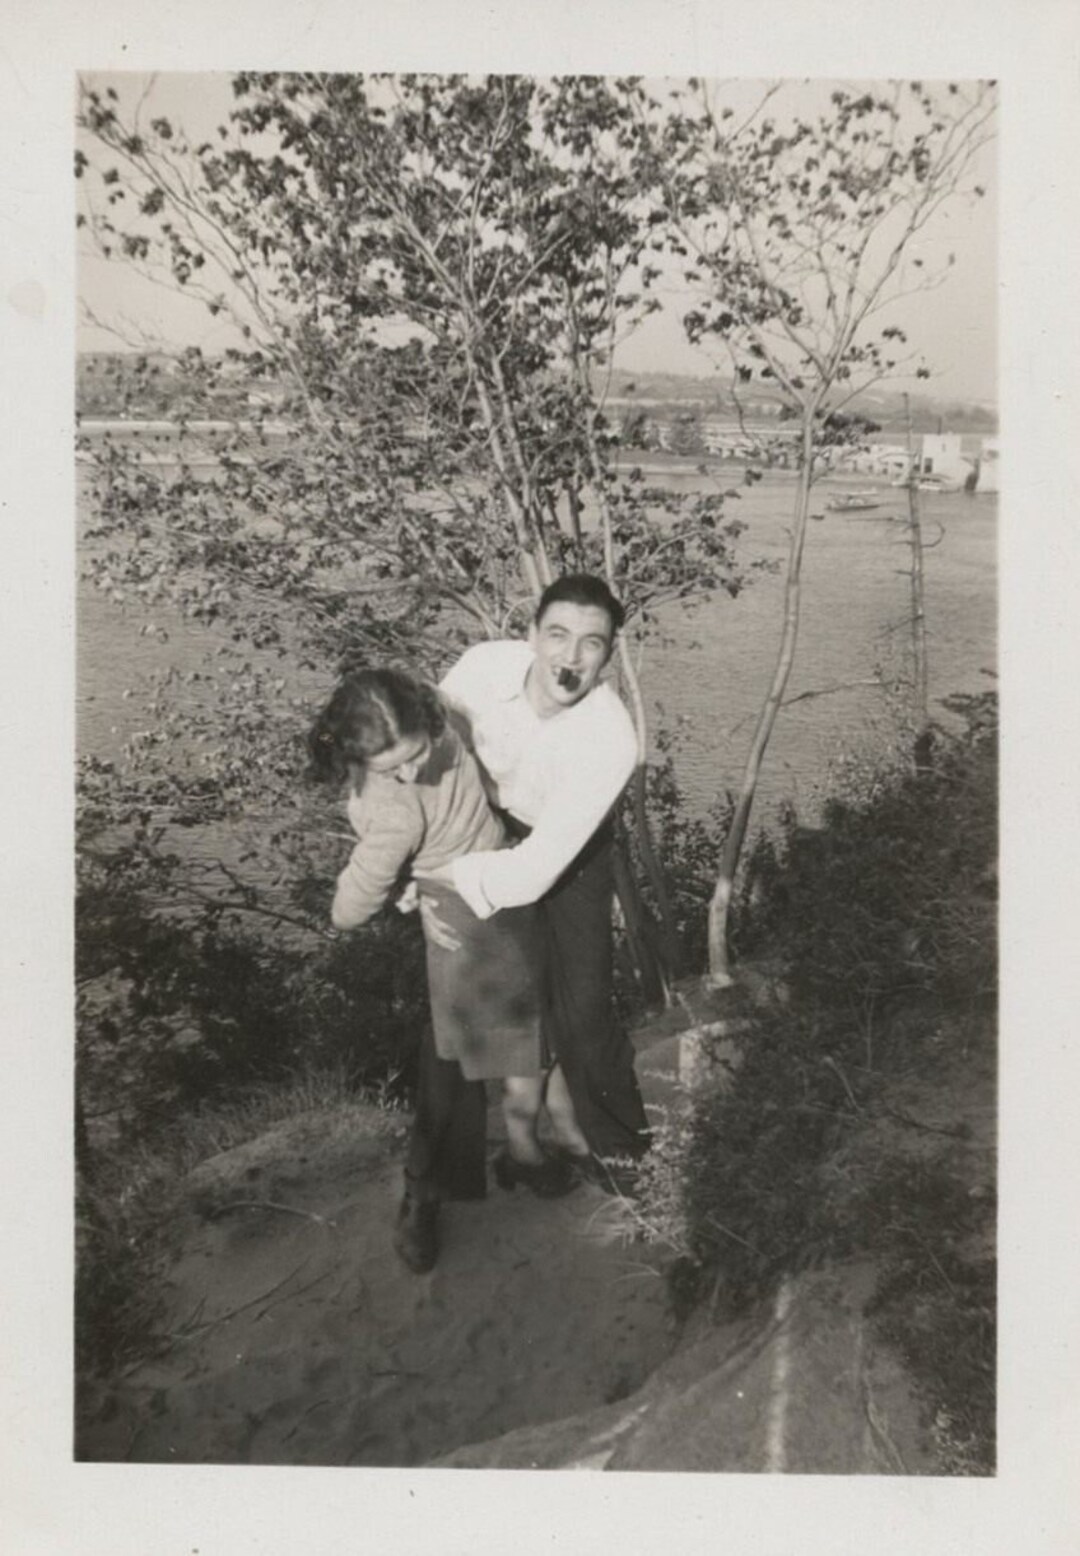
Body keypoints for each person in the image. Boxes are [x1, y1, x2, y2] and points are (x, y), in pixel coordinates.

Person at [308, 667, 585, 1277]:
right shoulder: (439, 705)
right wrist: (420, 881)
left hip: (479, 894)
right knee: (476, 1041)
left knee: (463, 1049)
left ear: (426, 720)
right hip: (486, 881)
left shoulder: (395, 800)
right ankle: (489, 1167)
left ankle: (438, 1186)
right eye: (390, 767)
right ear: (354, 748)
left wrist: (410, 879)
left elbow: (346, 912)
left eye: (414, 756)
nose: (410, 774)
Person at [425, 573, 651, 1190]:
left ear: (607, 657)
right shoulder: (479, 670)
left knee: (583, 1005)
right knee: (485, 998)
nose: (569, 657)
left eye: (591, 643)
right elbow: (424, 762)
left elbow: (534, 870)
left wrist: (435, 874)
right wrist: (418, 879)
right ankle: (509, 1151)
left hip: (566, 847)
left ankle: (621, 1153)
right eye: (557, 635)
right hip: (476, 822)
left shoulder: (610, 739)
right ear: (530, 635)